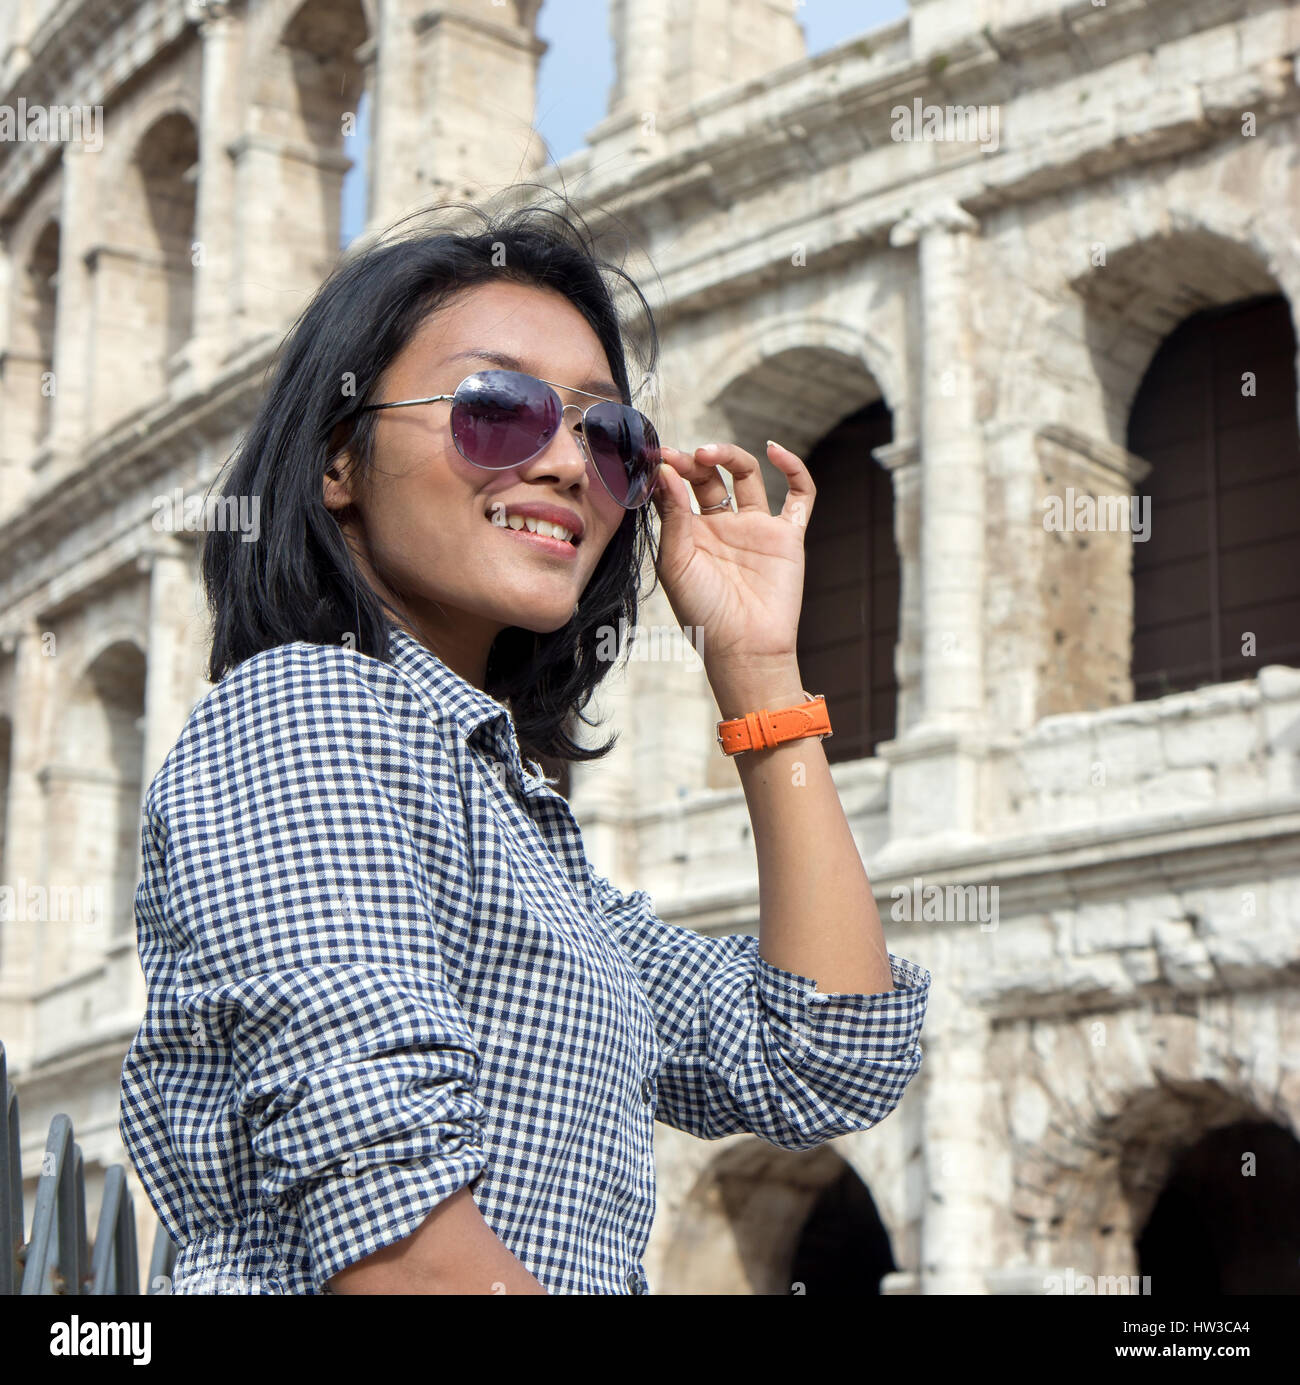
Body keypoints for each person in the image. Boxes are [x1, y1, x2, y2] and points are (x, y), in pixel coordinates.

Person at [118, 191, 931, 1295]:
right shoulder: (303, 713)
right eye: (494, 408)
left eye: (607, 434)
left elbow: (821, 1055)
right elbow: (400, 1239)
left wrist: (756, 671)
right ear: (335, 461)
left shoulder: (518, 833)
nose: (563, 463)